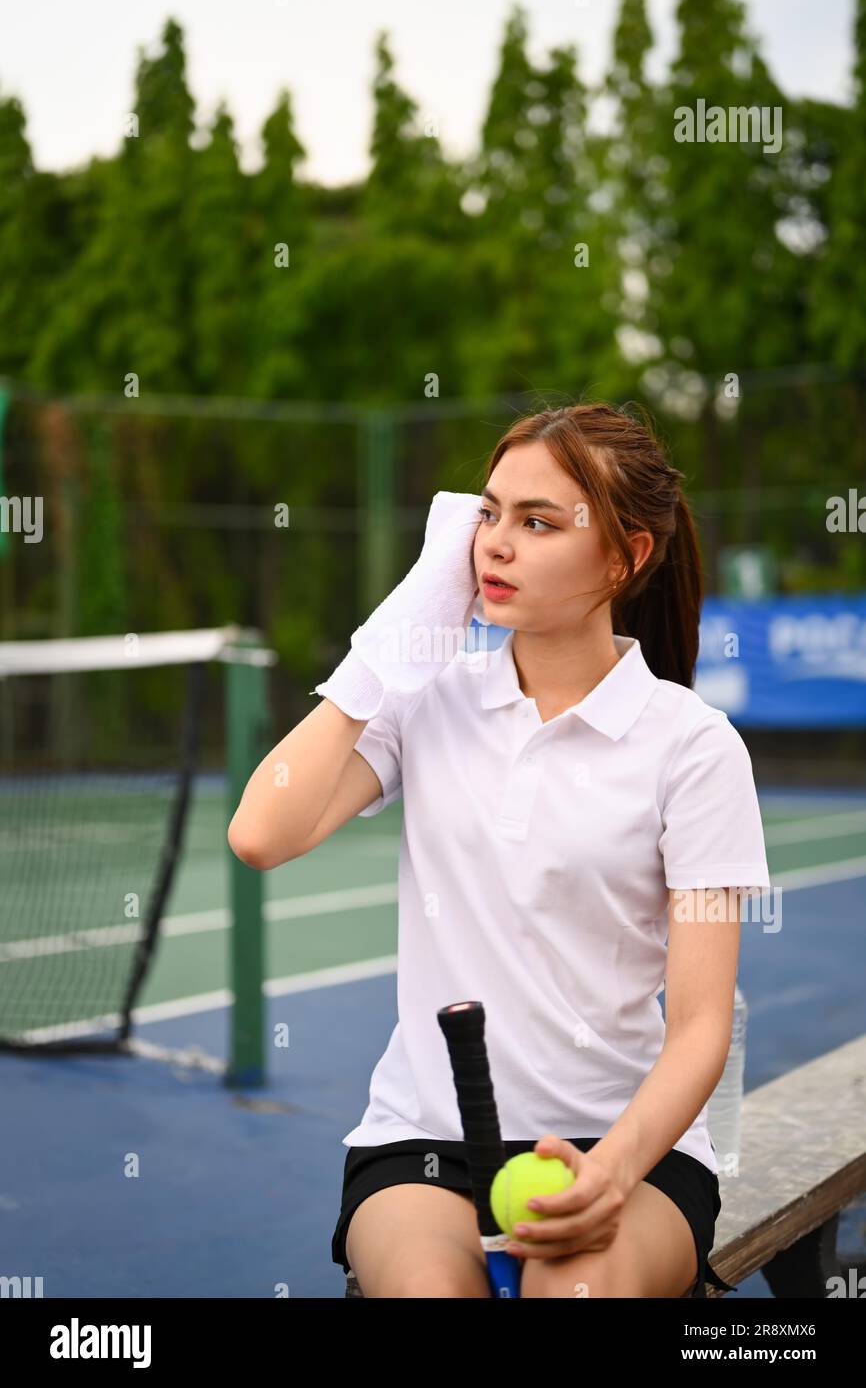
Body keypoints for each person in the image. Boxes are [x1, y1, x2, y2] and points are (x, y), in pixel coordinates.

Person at [228, 401, 770, 1298]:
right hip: (423, 1142)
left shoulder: (696, 746)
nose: (495, 544)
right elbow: (260, 833)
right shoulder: (421, 696)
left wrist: (615, 1171)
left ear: (627, 556)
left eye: (538, 521)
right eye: (488, 514)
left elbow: (702, 1027)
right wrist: (396, 640)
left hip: (624, 1142)